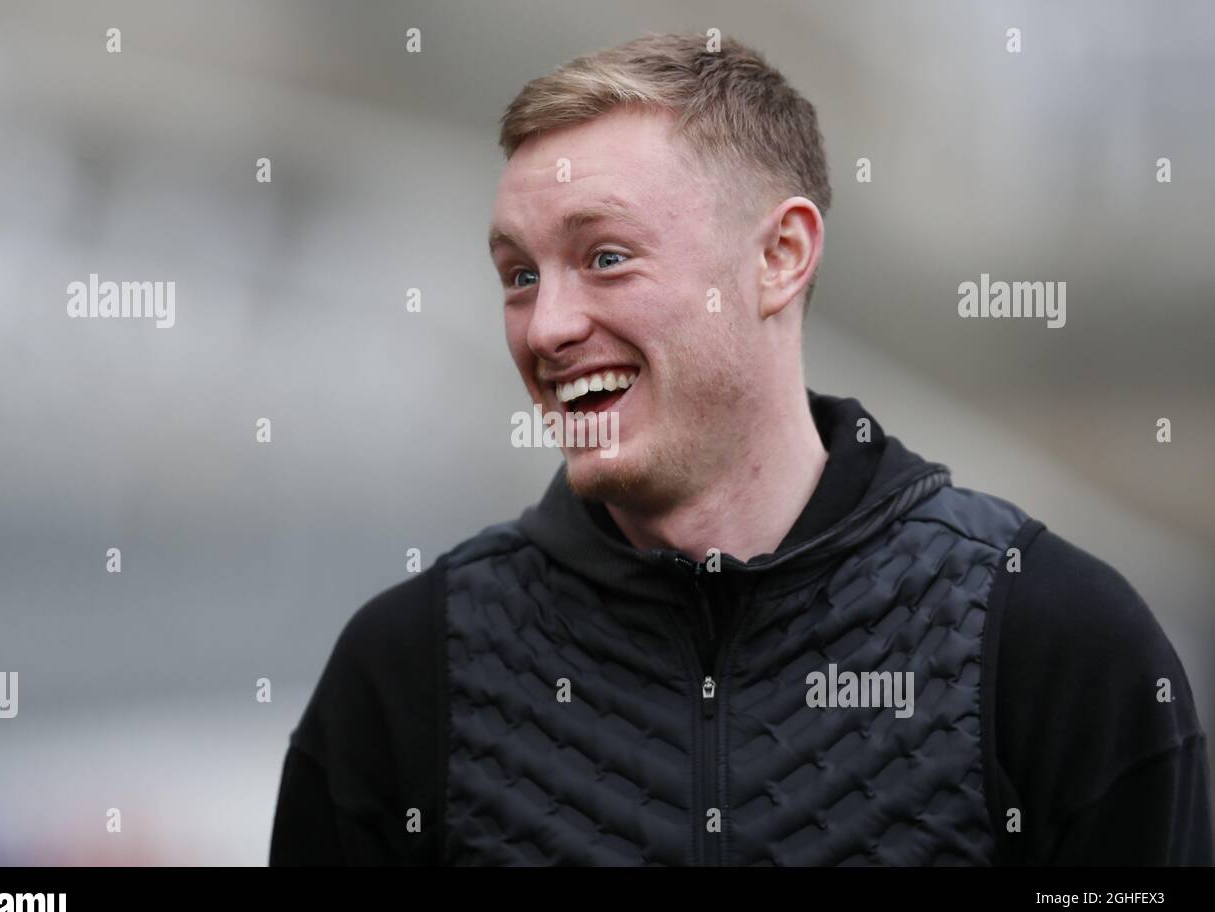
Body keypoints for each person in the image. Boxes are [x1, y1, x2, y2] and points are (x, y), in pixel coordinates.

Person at [270, 33, 1211, 866]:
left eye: (604, 257)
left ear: (779, 258)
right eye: (519, 275)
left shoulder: (1054, 638)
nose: (545, 326)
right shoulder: (405, 670)